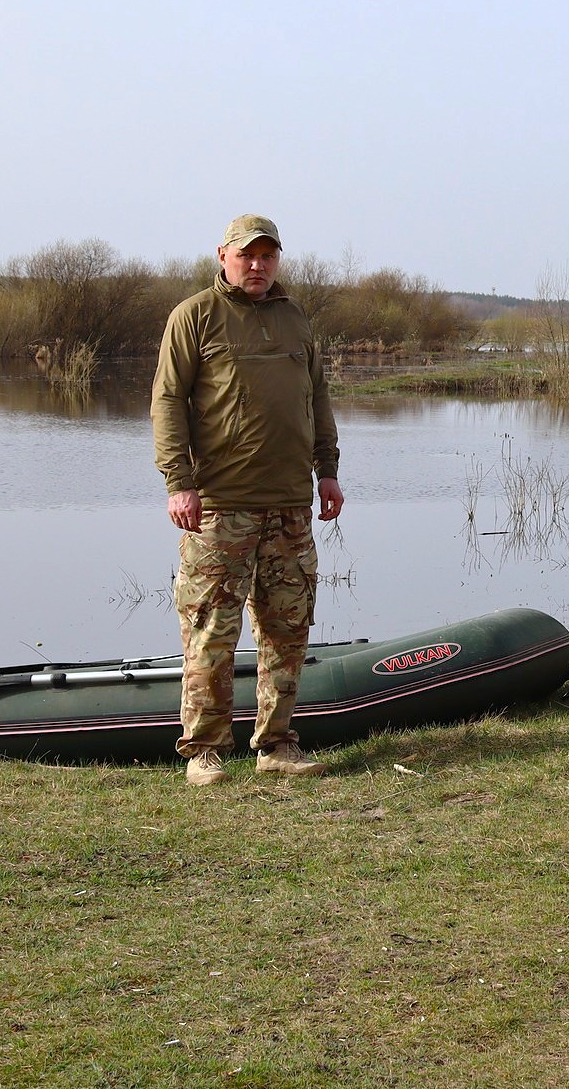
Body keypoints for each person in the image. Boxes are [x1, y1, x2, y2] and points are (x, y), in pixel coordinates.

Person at [151, 214, 344, 784]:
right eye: (246, 255)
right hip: (220, 505)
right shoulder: (195, 316)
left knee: (287, 627)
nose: (257, 266)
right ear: (223, 256)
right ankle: (205, 751)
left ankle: (277, 744)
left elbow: (319, 397)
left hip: (290, 505)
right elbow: (167, 403)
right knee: (212, 628)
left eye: (267, 256)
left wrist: (327, 471)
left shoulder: (295, 319)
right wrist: (178, 483)